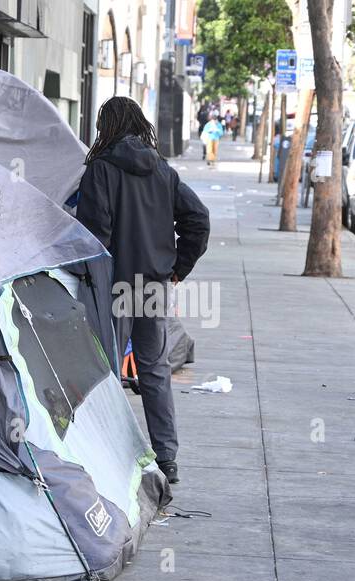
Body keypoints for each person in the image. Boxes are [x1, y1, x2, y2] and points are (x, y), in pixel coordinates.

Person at [76, 97, 211, 486]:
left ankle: (110, 454)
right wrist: (176, 269)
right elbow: (198, 220)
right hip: (152, 285)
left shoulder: (100, 170)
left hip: (113, 286)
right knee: (154, 373)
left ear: (108, 128)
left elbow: (92, 238)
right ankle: (166, 459)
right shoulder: (162, 171)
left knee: (105, 372)